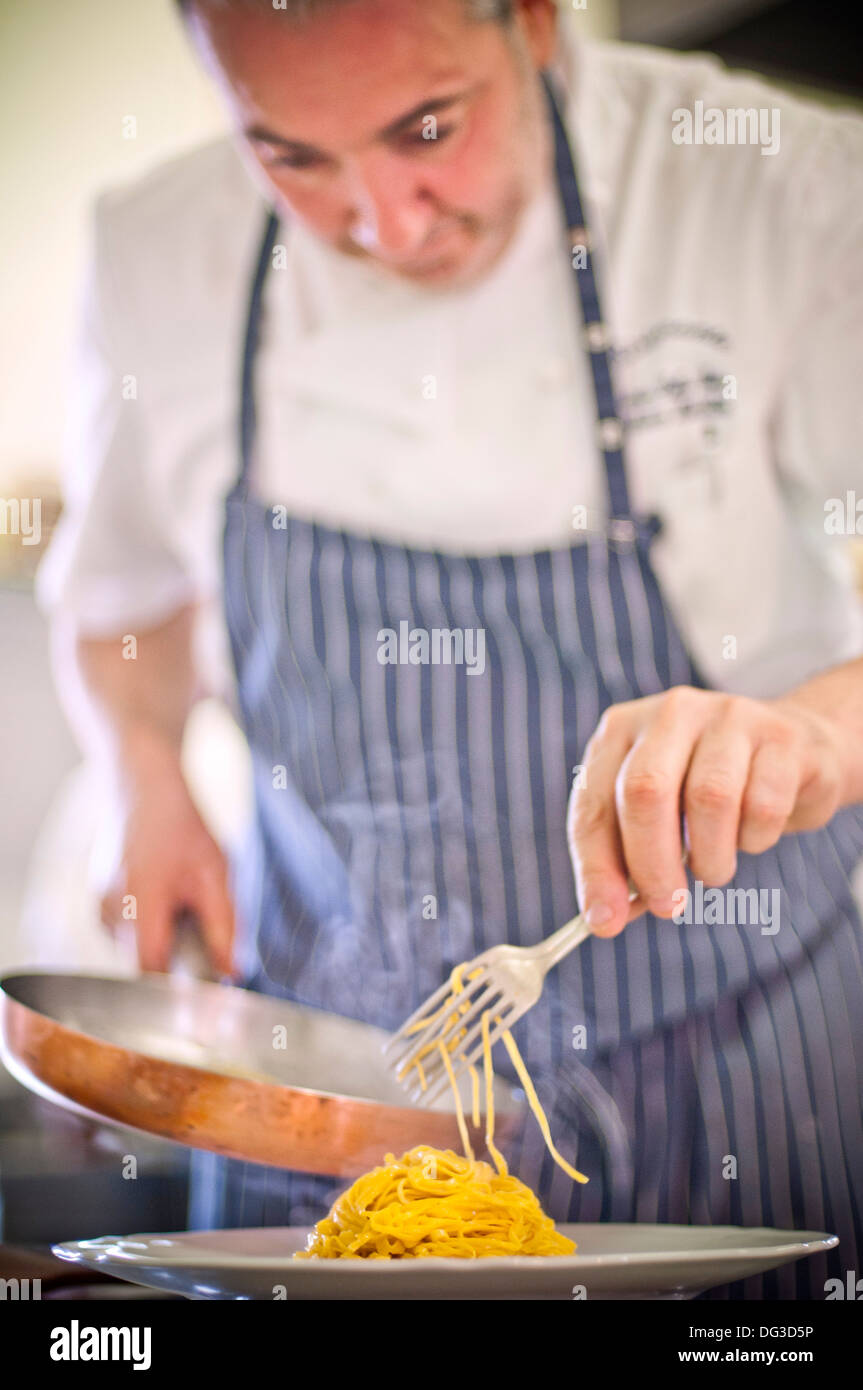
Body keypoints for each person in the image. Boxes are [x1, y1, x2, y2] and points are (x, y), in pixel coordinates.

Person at [39, 0, 863, 1299]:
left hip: (741, 1074)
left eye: (428, 127)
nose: (382, 221)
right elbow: (124, 600)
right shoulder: (157, 251)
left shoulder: (775, 190)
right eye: (290, 154)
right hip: (323, 1108)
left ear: (534, 20)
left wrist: (817, 727)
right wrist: (143, 764)